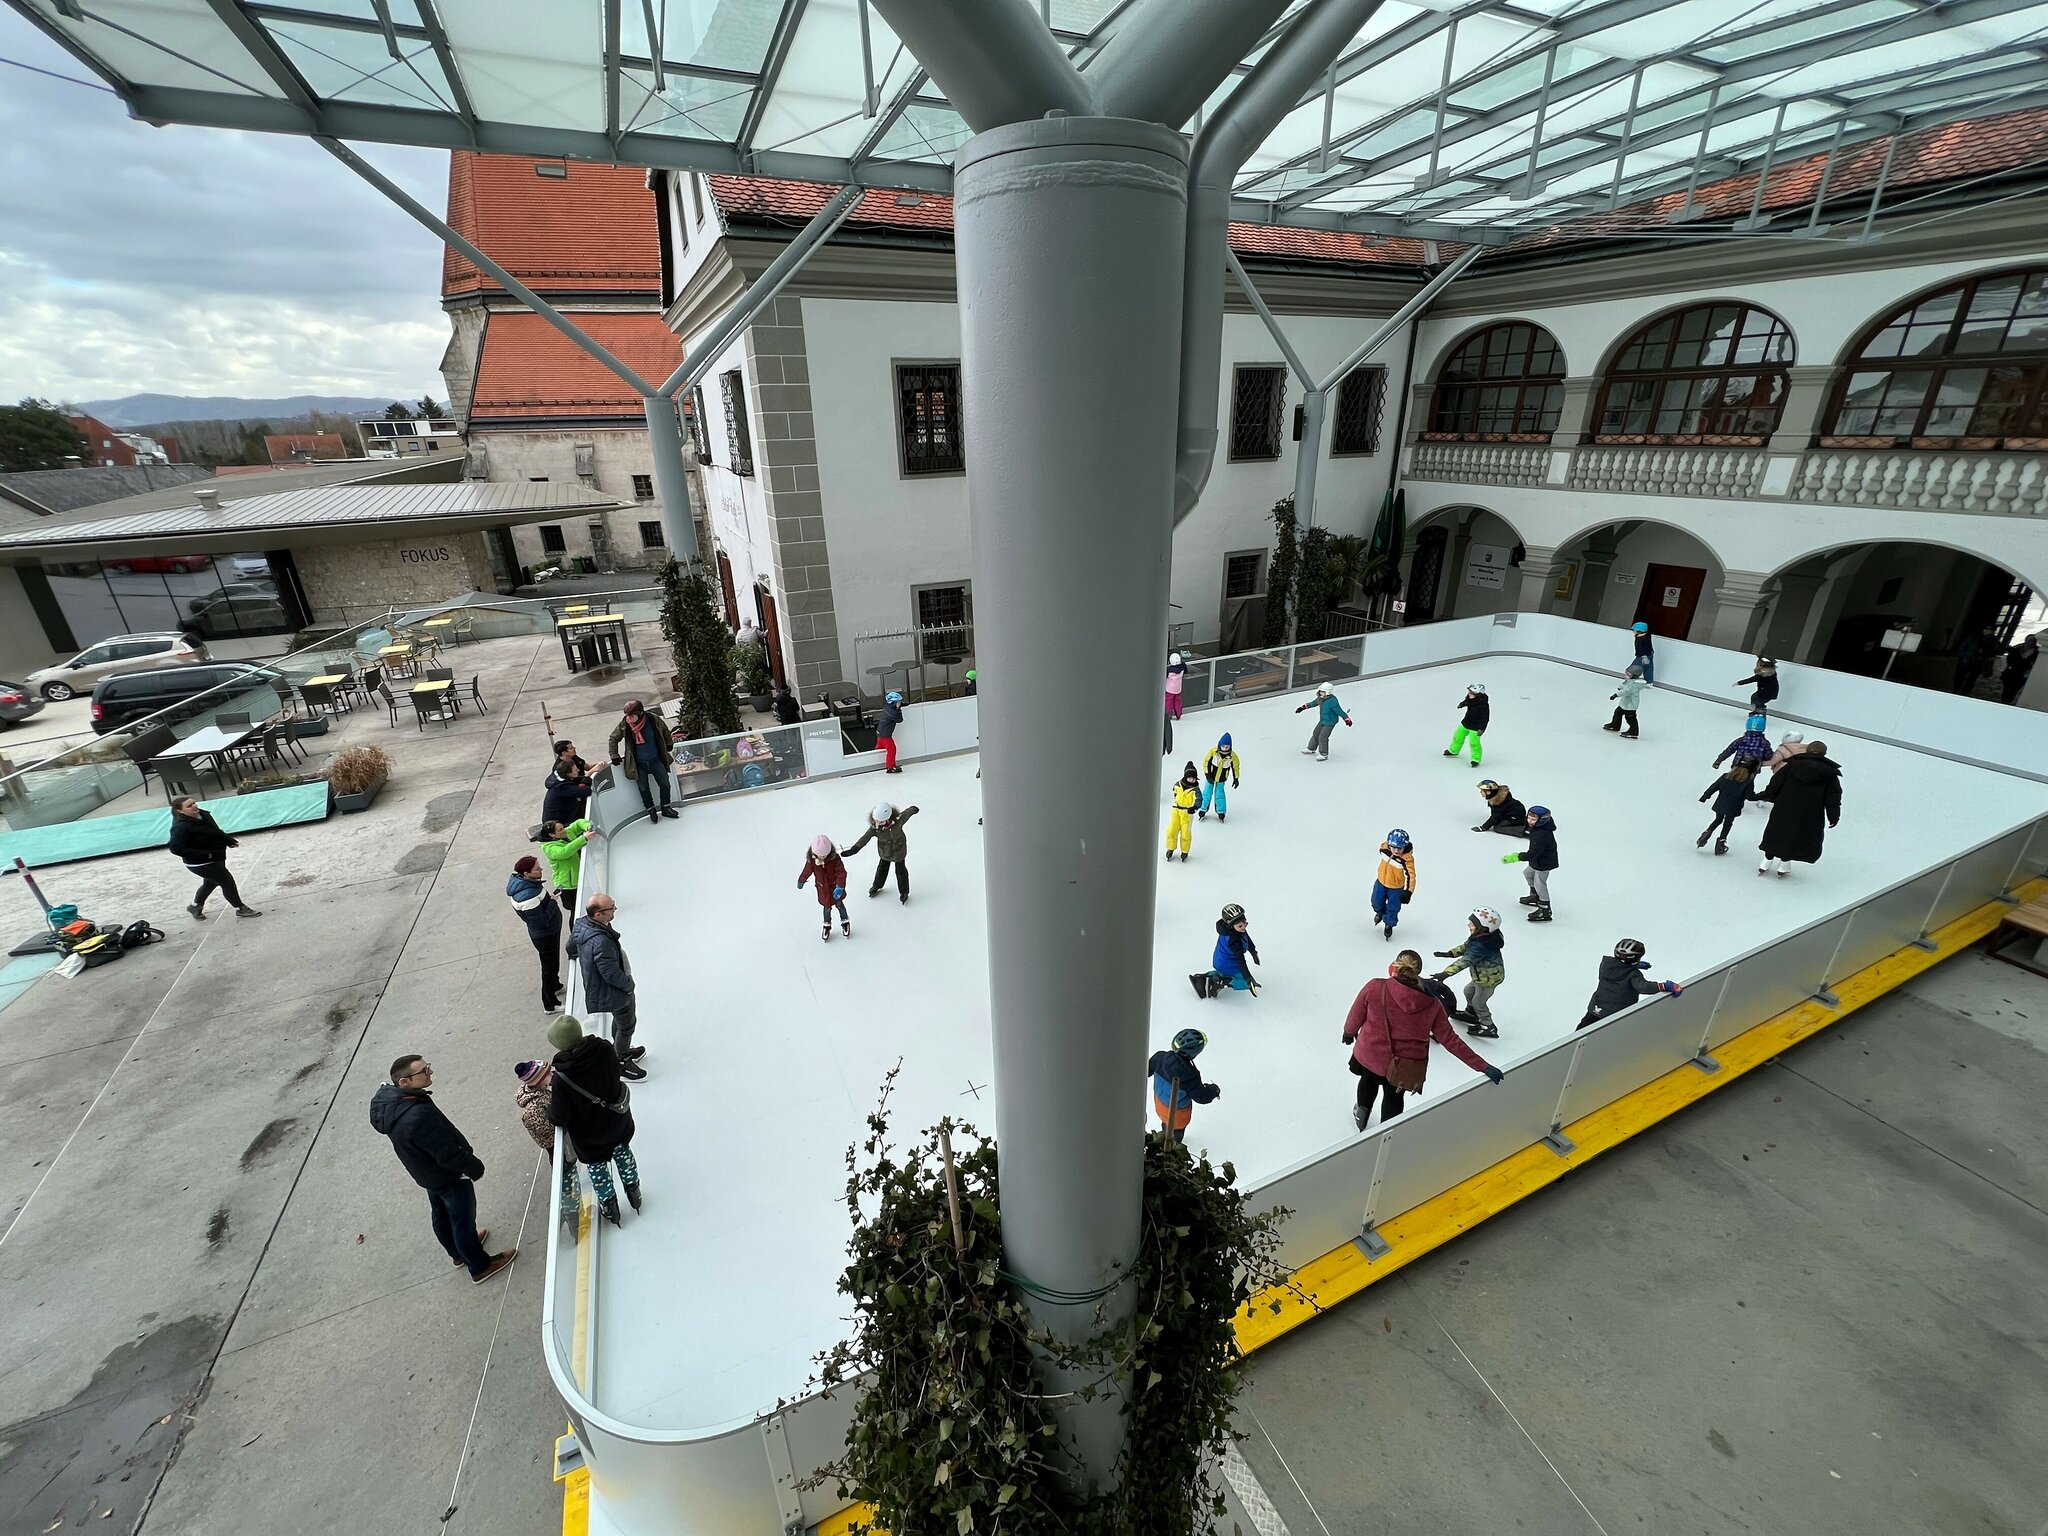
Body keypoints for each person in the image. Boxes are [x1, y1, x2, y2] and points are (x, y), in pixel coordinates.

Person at [370, 1054, 516, 1283]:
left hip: (426, 1173)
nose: (430, 1073)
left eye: (428, 1067)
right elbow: (446, 1152)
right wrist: (474, 1167)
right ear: (404, 1082)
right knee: (462, 1221)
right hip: (447, 1175)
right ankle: (480, 1266)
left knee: (441, 1214)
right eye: (424, 1071)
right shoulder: (417, 1115)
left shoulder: (394, 1102)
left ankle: (458, 1253)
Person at [1342, 950, 1502, 1132]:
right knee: (1394, 1097)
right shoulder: (1432, 1005)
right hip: (1405, 1066)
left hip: (1371, 1055)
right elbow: (1450, 1040)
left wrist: (1349, 1032)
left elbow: (1356, 1014)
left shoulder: (1375, 987)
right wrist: (1482, 1066)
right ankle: (1385, 1133)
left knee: (1367, 1082)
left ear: (1394, 968)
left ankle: (1361, 1115)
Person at [546, 1014, 642, 1229]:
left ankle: (610, 1207)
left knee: (599, 1172)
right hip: (618, 1122)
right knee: (624, 1155)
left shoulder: (563, 1077)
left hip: (590, 1137)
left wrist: (549, 1114)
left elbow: (560, 1116)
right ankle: (634, 1191)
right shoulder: (605, 1048)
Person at [567, 894, 647, 1078]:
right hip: (614, 992)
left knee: (620, 1021)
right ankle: (621, 1061)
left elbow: (571, 948)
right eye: (611, 908)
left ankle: (620, 1051)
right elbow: (610, 973)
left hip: (606, 991)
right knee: (627, 1025)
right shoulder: (600, 941)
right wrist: (628, 986)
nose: (615, 910)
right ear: (598, 915)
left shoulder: (582, 925)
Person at [1756, 739, 1842, 878]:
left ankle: (1766, 860)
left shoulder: (1791, 766)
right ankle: (1784, 864)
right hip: (1810, 812)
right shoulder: (1829, 775)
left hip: (1785, 806)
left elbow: (1775, 784)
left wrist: (1767, 796)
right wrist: (1833, 816)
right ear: (1824, 754)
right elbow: (1833, 798)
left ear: (1807, 751)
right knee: (1795, 836)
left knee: (1777, 831)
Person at [168, 795, 261, 921]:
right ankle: (240, 908)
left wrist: (228, 840)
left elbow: (215, 831)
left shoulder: (203, 814)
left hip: (216, 856)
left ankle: (195, 906)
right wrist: (207, 854)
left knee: (211, 882)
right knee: (226, 881)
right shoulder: (180, 827)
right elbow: (176, 849)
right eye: (189, 806)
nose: (194, 806)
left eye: (194, 803)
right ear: (180, 811)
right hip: (201, 863)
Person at [514, 1058, 578, 1222]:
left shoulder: (541, 1093)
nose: (553, 1074)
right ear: (540, 1081)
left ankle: (572, 1211)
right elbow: (547, 1128)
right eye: (549, 1074)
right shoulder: (534, 1107)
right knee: (568, 1180)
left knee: (569, 1177)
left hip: (560, 1143)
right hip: (557, 1146)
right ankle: (574, 1218)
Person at [1577, 938, 1683, 1029]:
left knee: (1582, 1030)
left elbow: (1619, 968)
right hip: (1615, 1014)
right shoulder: (1633, 975)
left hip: (1595, 1008)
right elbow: (1643, 987)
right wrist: (1663, 986)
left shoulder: (1605, 964)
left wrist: (1634, 965)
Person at [1433, 907, 1505, 1038]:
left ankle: (1488, 1026)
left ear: (1482, 928)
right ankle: (1472, 1014)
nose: (1468, 925)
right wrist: (1450, 953)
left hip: (1488, 980)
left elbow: (1466, 960)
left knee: (1479, 1002)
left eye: (1472, 924)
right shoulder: (1480, 938)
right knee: (1469, 991)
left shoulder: (1482, 946)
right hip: (1481, 976)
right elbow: (1466, 947)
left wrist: (1446, 973)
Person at [507, 854, 563, 1011]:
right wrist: (552, 901)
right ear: (526, 873)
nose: (541, 871)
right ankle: (550, 1004)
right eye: (537, 869)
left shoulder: (528, 885)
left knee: (553, 963)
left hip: (549, 932)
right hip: (546, 936)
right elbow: (541, 921)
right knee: (549, 967)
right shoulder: (528, 897)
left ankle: (555, 985)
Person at [608, 700, 677, 823]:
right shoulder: (625, 724)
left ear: (640, 713)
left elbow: (666, 731)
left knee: (665, 784)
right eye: (627, 715)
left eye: (632, 715)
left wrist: (669, 744)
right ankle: (650, 810)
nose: (629, 718)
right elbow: (613, 738)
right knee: (643, 788)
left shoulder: (653, 720)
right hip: (638, 764)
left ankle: (666, 807)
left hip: (655, 760)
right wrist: (614, 754)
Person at [1148, 1028, 1219, 1143]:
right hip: (1178, 1115)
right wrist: (1213, 1090)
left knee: (1165, 1123)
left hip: (1159, 1104)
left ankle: (1165, 1135)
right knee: (1175, 1135)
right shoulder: (1190, 1075)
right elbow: (1201, 1097)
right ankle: (1172, 1148)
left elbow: (1145, 1071)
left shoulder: (1159, 1058)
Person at [846, 800, 920, 902]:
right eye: (876, 820)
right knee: (882, 869)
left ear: (888, 818)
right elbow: (865, 838)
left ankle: (904, 892)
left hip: (899, 851)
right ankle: (877, 885)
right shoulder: (875, 829)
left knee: (901, 872)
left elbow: (907, 813)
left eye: (880, 821)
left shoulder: (898, 821)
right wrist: (854, 849)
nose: (877, 823)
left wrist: (913, 809)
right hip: (885, 852)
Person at [1501, 805, 1558, 922]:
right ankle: (1535, 896)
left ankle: (1545, 908)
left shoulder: (1542, 834)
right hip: (1537, 860)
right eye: (1529, 818)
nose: (1529, 821)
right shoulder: (1537, 829)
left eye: (1533, 820)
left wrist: (1517, 857)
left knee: (1539, 883)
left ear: (1542, 821)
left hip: (1544, 862)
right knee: (1528, 873)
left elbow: (1534, 853)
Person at [1193, 902, 1260, 998]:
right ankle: (1220, 982)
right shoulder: (1233, 940)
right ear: (1231, 926)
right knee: (1243, 983)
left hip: (1221, 959)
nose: (1244, 928)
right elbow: (1240, 960)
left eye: (1245, 924)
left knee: (1224, 973)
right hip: (1227, 963)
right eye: (1240, 926)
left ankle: (1211, 976)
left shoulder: (1237, 930)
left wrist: (1253, 951)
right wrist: (1248, 978)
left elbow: (1247, 939)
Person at [537, 817, 598, 915]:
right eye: (560, 830)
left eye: (563, 827)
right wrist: (584, 838)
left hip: (579, 879)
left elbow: (578, 823)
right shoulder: (549, 848)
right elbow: (564, 852)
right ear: (552, 835)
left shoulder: (566, 832)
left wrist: (588, 826)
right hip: (568, 886)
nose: (564, 830)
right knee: (576, 911)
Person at [1696, 762, 1759, 855]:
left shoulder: (1726, 776)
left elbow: (1714, 787)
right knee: (1728, 824)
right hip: (1734, 807)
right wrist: (1764, 795)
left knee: (1718, 819)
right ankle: (1720, 844)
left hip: (1721, 804)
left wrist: (1705, 796)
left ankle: (1706, 833)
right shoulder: (1748, 781)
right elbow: (1750, 797)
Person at [799, 834, 853, 939]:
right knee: (826, 908)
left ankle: (845, 921)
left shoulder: (835, 859)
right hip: (823, 890)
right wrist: (801, 880)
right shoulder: (812, 861)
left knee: (840, 905)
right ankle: (827, 925)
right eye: (820, 855)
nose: (822, 857)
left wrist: (840, 887)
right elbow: (807, 871)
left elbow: (842, 873)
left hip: (835, 888)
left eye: (824, 855)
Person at [1371, 828, 1417, 940]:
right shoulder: (1384, 849)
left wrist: (1408, 891)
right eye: (1393, 847)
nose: (1396, 851)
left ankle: (1389, 924)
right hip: (1381, 882)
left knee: (1393, 907)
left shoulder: (1406, 860)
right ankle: (1380, 912)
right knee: (1376, 901)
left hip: (1396, 888)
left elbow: (1411, 876)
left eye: (1400, 848)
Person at [1294, 683, 1353, 760]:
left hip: (1330, 721)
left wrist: (1346, 719)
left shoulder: (1332, 701)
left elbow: (1339, 711)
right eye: (1320, 691)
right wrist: (1302, 708)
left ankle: (1324, 754)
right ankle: (1311, 748)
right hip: (1323, 720)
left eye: (1322, 691)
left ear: (1327, 692)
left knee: (1323, 736)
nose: (1320, 693)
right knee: (1316, 733)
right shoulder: (1320, 699)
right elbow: (1312, 703)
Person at [542, 741, 591, 827]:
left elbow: (584, 778)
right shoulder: (561, 787)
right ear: (569, 774)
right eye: (576, 770)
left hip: (567, 812)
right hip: (559, 823)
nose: (578, 771)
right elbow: (588, 791)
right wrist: (583, 785)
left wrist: (582, 783)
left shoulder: (563, 777)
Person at [1444, 682, 1488, 765]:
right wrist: (1462, 704)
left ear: (1478, 695)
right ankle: (1453, 750)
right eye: (1469, 692)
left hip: (1476, 727)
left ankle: (1476, 759)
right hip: (1466, 723)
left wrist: (1481, 729)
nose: (1469, 694)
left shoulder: (1483, 706)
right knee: (1458, 736)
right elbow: (1466, 701)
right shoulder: (1470, 699)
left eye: (1472, 693)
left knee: (1474, 743)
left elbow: (1485, 719)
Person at [1198, 733, 1239, 821]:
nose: (1225, 749)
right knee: (1207, 793)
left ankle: (1221, 811)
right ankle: (1202, 809)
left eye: (1227, 747)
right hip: (1211, 776)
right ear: (1219, 745)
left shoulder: (1232, 756)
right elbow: (1206, 762)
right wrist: (1207, 774)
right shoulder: (1213, 752)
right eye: (1223, 746)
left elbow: (1235, 767)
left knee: (1220, 794)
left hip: (1221, 778)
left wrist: (1236, 778)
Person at [1165, 761, 1199, 862]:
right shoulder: (1178, 785)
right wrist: (1176, 800)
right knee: (1172, 830)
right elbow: (1174, 792)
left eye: (1194, 778)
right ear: (1185, 777)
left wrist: (1194, 807)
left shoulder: (1195, 789)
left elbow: (1199, 800)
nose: (1192, 780)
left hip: (1187, 814)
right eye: (1190, 778)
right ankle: (1170, 848)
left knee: (1185, 833)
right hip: (1176, 811)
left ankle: (1185, 851)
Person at [1603, 668, 1645, 738]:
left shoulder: (1633, 685)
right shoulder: (1629, 681)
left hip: (1630, 706)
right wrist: (1620, 687)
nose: (1625, 675)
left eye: (1628, 674)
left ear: (1633, 676)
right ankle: (1615, 725)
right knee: (1617, 713)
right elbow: (1623, 685)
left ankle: (1633, 731)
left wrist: (1616, 695)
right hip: (1625, 703)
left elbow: (1625, 691)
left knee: (1630, 718)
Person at [2002, 632, 2040, 705]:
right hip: (2011, 672)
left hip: (2022, 674)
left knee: (2014, 689)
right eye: (2030, 640)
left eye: (2033, 641)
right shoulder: (2017, 648)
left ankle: (2008, 701)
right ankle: (2004, 700)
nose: (2031, 643)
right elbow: (2010, 660)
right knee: (2007, 688)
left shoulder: (2036, 652)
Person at [878, 690, 905, 773]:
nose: (900, 704)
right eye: (898, 702)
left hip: (880, 732)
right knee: (892, 749)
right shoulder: (892, 712)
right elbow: (900, 719)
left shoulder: (887, 708)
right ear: (893, 703)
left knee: (879, 748)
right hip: (885, 735)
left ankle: (888, 765)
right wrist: (898, 709)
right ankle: (890, 767)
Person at [1630, 620, 1655, 684]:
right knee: (1648, 669)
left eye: (1634, 630)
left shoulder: (1640, 640)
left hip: (1642, 656)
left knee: (1633, 668)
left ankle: (1629, 682)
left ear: (1638, 631)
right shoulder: (1647, 635)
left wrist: (1644, 657)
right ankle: (1649, 682)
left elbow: (1641, 649)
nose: (1633, 632)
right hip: (1650, 654)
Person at [1164, 651, 1186, 721]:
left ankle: (1168, 714)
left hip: (1169, 689)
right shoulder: (1182, 669)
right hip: (1178, 689)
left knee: (1168, 702)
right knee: (1177, 701)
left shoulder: (1169, 670)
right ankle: (1178, 714)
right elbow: (1185, 668)